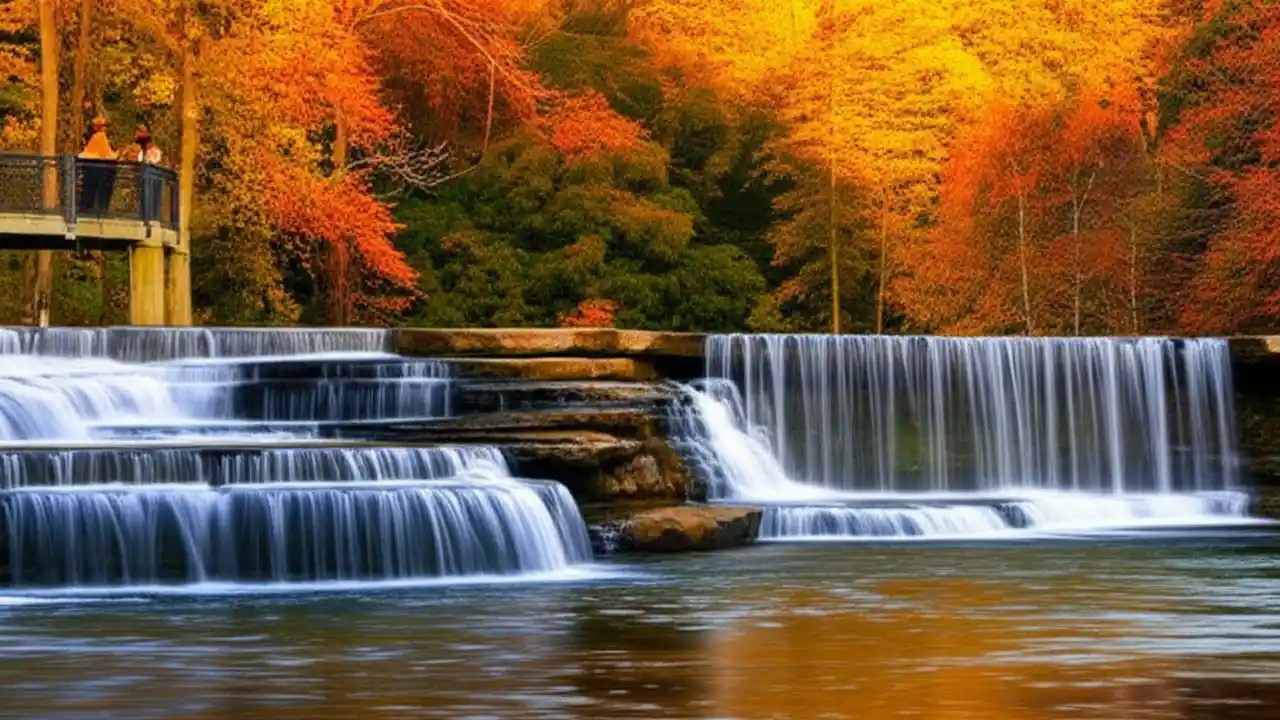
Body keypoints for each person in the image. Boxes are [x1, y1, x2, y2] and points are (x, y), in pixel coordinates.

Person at [78, 116, 117, 214]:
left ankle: (87, 209)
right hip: (98, 170)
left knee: (89, 192)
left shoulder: (95, 137)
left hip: (91, 169)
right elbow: (105, 154)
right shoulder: (100, 137)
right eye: (104, 126)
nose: (105, 128)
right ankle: (96, 210)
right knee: (96, 194)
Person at [131, 126, 164, 223]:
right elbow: (140, 161)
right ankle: (143, 215)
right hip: (143, 178)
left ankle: (152, 217)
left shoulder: (156, 151)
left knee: (152, 198)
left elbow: (155, 161)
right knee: (143, 197)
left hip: (153, 180)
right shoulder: (142, 152)